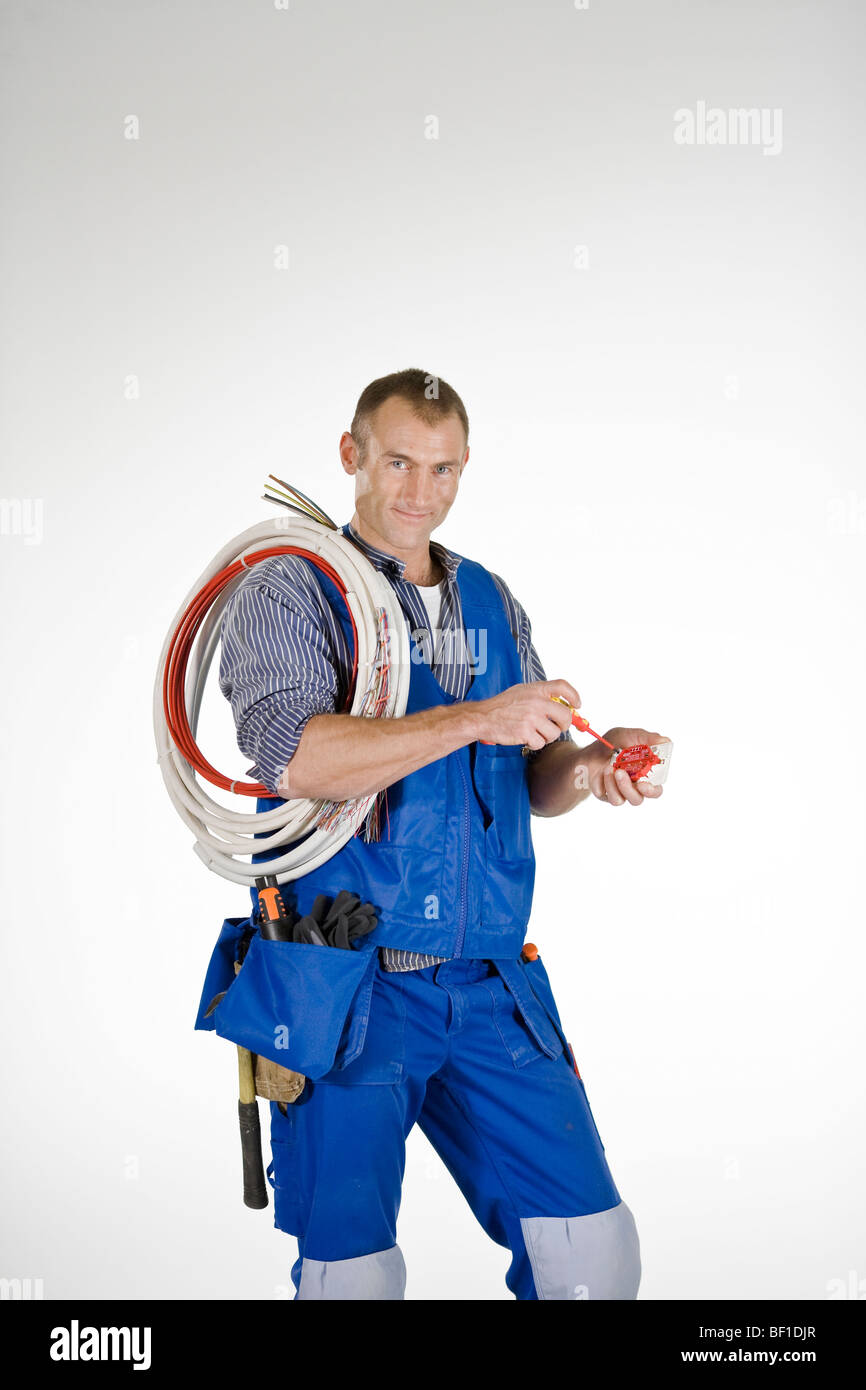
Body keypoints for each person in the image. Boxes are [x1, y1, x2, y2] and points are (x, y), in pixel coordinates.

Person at [213, 368, 668, 1300]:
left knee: (594, 1257)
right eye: (399, 462)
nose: (422, 492)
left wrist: (587, 768)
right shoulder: (292, 589)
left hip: (493, 984)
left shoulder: (493, 601)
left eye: (445, 469)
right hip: (350, 988)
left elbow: (529, 773)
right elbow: (292, 753)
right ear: (352, 457)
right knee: (355, 1279)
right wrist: (475, 718)